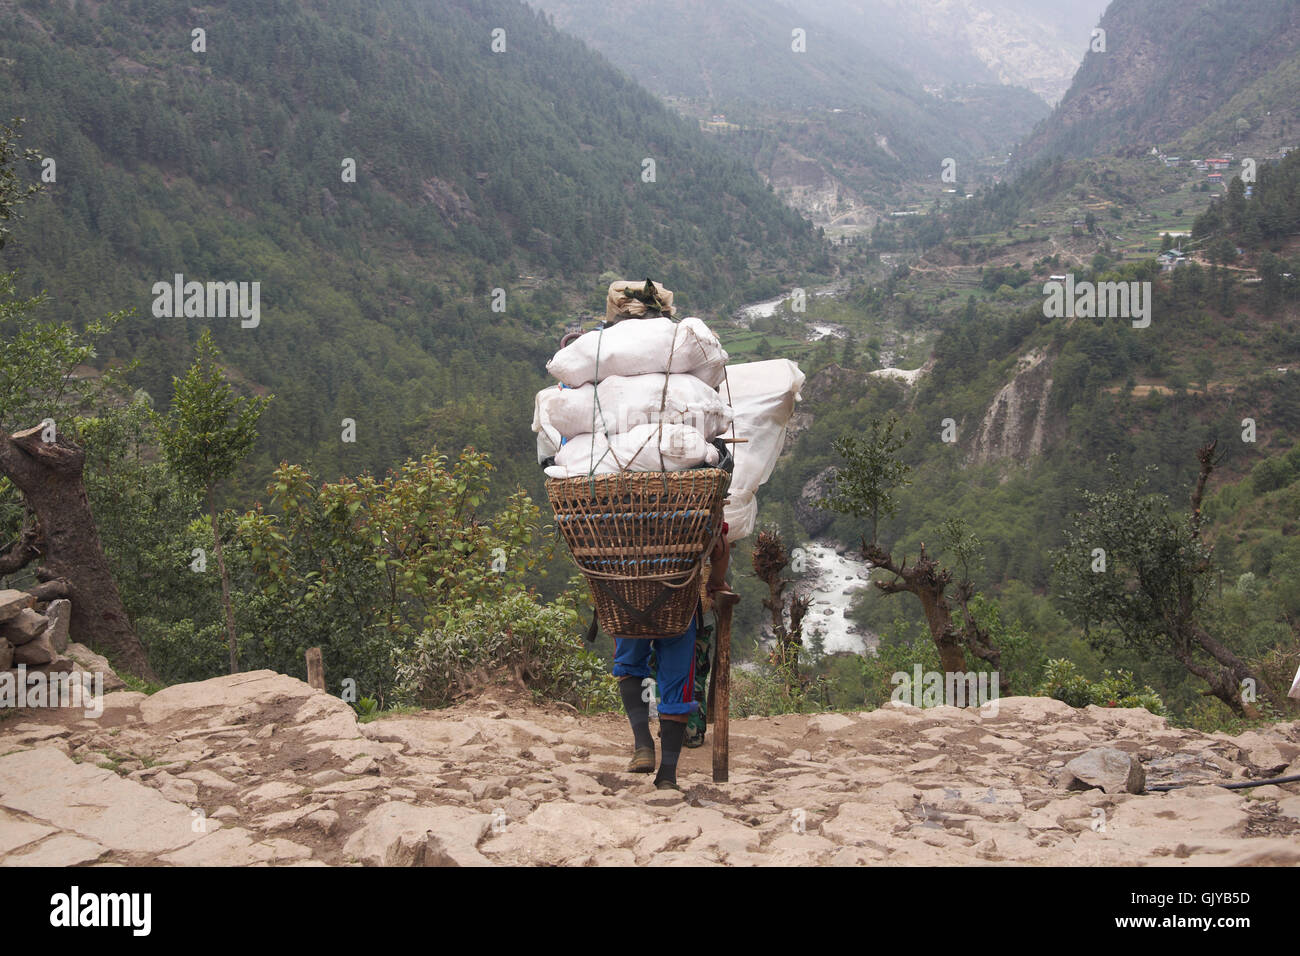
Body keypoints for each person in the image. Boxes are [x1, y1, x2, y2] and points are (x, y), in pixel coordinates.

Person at [615, 530, 730, 791]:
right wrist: (716, 580)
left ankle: (643, 744)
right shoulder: (696, 494)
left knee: (629, 665)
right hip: (679, 597)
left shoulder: (611, 496)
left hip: (624, 591)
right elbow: (720, 545)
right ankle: (667, 775)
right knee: (678, 684)